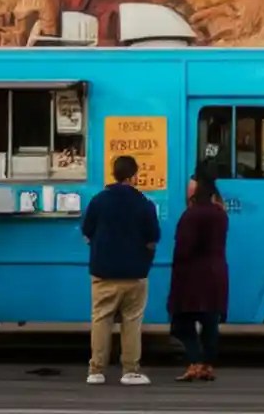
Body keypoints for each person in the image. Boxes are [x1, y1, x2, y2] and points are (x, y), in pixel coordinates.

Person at [81, 155, 160, 386]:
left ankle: (96, 370)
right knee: (132, 322)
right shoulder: (144, 204)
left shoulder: (98, 201)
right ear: (133, 175)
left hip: (103, 272)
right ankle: (130, 371)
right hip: (135, 274)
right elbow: (152, 239)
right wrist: (145, 260)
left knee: (101, 319)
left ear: (115, 174)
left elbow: (87, 233)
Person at [168, 173, 229, 383]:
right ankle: (207, 366)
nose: (188, 191)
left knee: (181, 324)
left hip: (193, 275)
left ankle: (195, 363)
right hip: (216, 274)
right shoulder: (221, 214)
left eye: (192, 187)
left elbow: (184, 248)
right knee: (210, 324)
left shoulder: (191, 216)